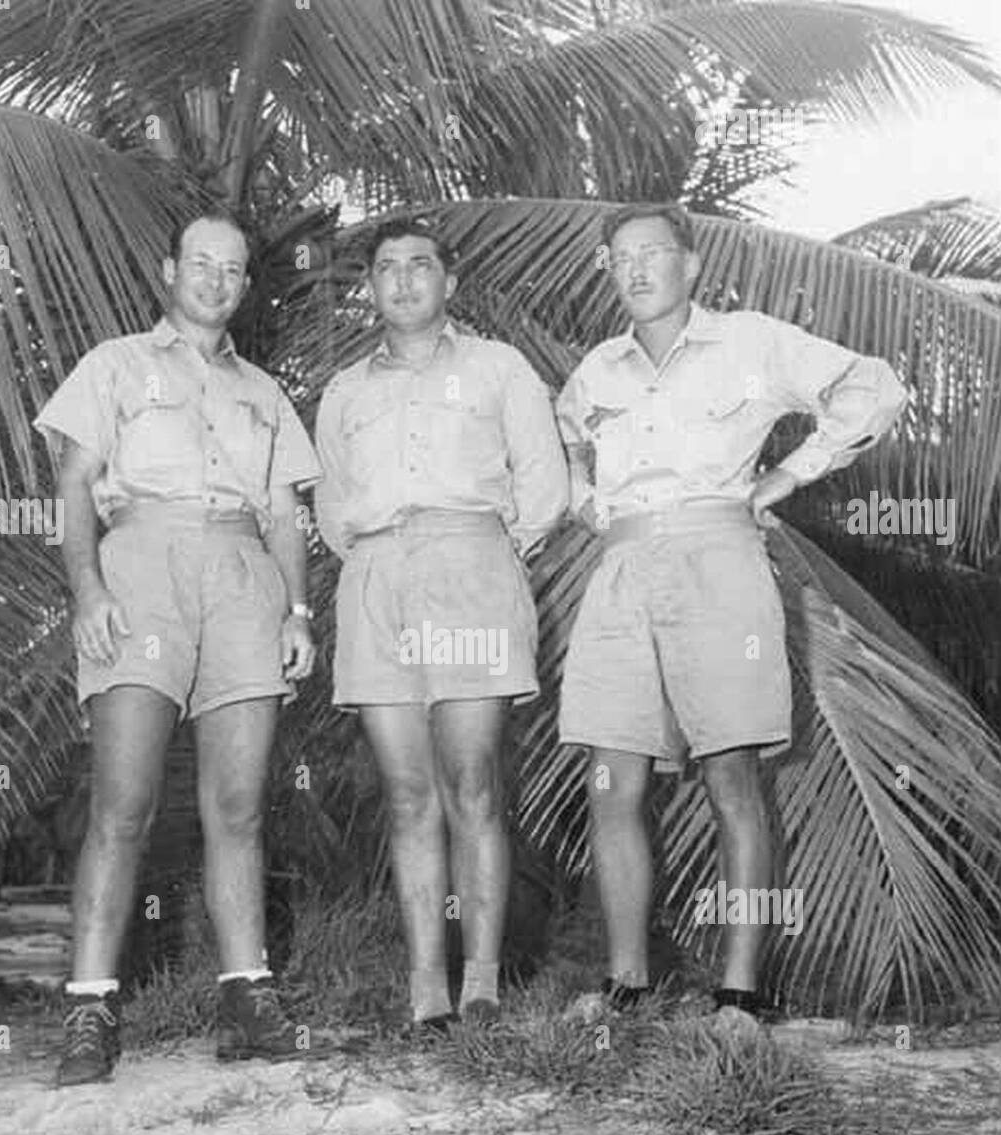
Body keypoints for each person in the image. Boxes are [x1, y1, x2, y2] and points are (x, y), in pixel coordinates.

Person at [556, 201, 907, 1028]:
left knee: (731, 779)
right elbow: (561, 444)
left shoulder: (748, 342)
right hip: (620, 575)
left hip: (721, 565)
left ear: (690, 265)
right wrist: (583, 503)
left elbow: (872, 388)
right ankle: (625, 987)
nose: (635, 269)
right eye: (618, 257)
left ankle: (738, 996)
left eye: (652, 253)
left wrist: (786, 477)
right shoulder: (594, 371)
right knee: (611, 781)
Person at [35, 210, 321, 1085]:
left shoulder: (264, 392)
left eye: (232, 270)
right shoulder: (115, 365)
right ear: (170, 270)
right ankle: (90, 1006)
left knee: (236, 807)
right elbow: (74, 481)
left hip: (242, 577)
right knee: (122, 804)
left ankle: (248, 993)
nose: (215, 280)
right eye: (200, 263)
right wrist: (87, 592)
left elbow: (283, 514)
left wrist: (297, 615)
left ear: (244, 285)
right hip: (141, 570)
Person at [315, 216, 568, 1033]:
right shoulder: (345, 390)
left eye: (419, 265)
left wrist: (487, 551)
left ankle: (483, 983)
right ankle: (427, 985)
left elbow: (544, 483)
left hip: (473, 572)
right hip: (377, 581)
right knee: (407, 793)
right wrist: (388, 555)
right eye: (385, 268)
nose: (402, 281)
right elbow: (329, 505)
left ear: (448, 280)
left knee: (473, 785)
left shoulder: (500, 368)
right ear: (371, 286)